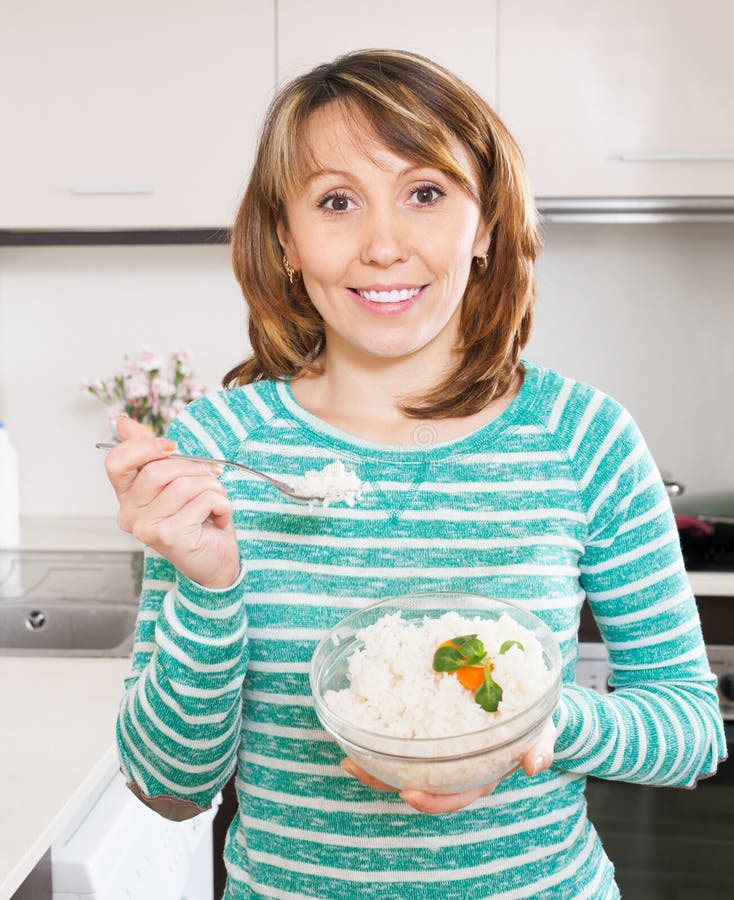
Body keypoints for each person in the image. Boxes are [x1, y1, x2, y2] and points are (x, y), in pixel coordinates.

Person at [104, 49, 726, 899]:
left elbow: (691, 727)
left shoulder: (583, 436)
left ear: (486, 227)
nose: (384, 245)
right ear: (286, 240)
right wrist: (210, 589)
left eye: (425, 194)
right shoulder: (219, 447)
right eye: (336, 201)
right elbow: (169, 792)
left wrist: (528, 728)